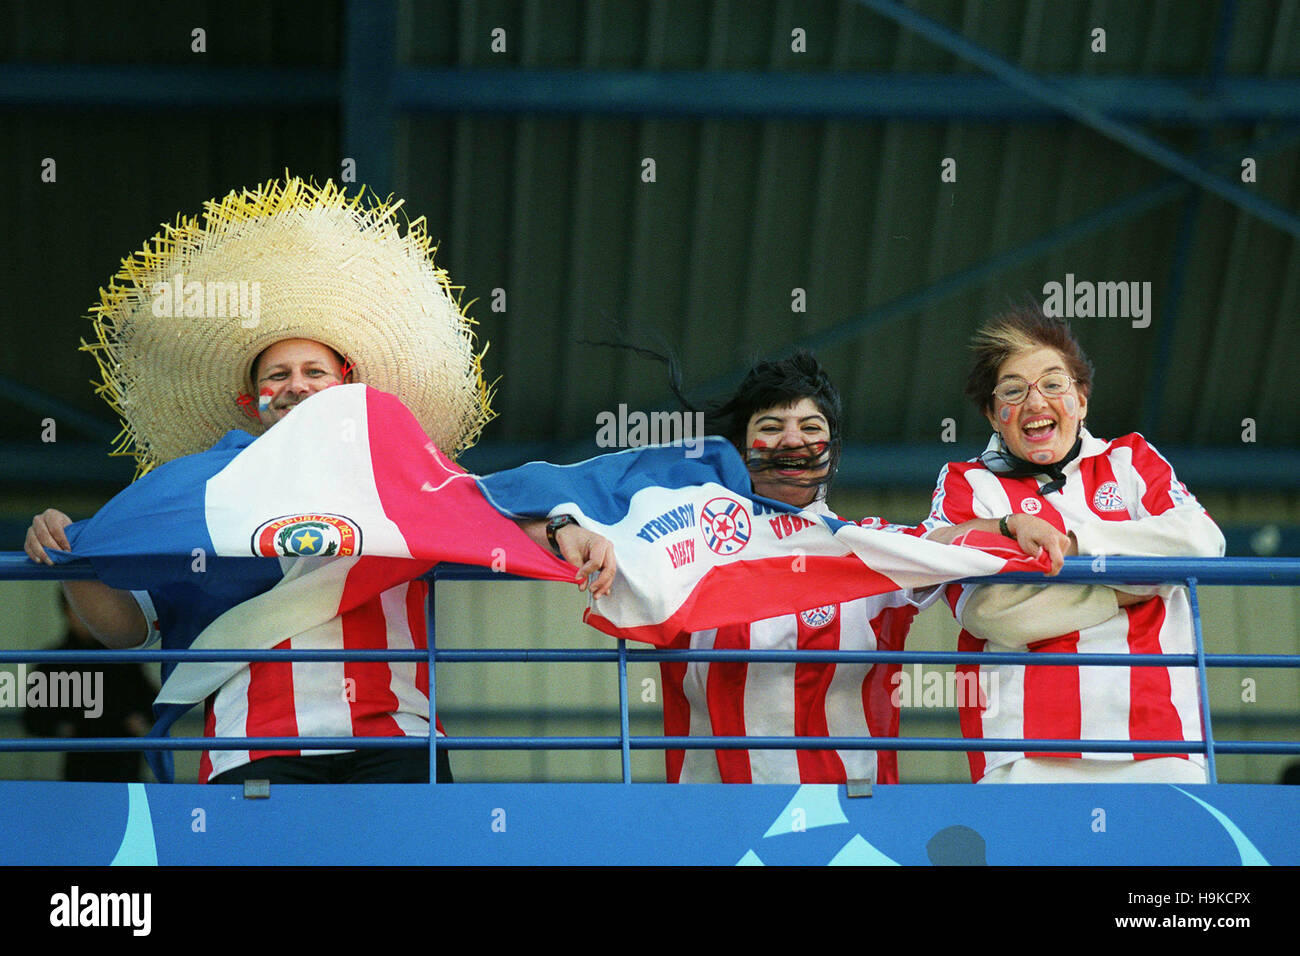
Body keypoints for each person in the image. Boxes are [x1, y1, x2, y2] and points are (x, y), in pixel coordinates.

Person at [25, 176, 614, 785]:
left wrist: (564, 523)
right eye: (277, 374)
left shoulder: (406, 475)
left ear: (348, 385)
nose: (296, 385)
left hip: (400, 743)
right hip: (254, 750)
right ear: (251, 400)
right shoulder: (201, 492)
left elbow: (487, 507)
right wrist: (71, 555)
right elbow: (129, 627)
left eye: (315, 371)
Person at [923, 303, 1225, 783]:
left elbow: (1203, 542)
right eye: (1013, 391)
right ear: (993, 414)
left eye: (1053, 383)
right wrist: (1123, 587)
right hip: (1023, 748)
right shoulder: (969, 484)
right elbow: (986, 611)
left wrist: (1078, 545)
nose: (1035, 402)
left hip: (1161, 741)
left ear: (1081, 400)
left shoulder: (1131, 458)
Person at [645, 350, 934, 784]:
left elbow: (956, 545)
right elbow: (565, 516)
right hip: (714, 816)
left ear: (833, 453)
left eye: (811, 428)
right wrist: (564, 526)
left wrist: (1008, 523)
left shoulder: (874, 547)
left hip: (850, 816)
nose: (792, 441)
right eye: (771, 427)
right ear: (741, 455)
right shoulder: (686, 546)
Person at [21, 592, 157, 782]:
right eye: (79, 609)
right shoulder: (53, 662)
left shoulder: (121, 657)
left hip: (124, 761)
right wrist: (62, 729)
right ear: (67, 612)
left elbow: (151, 701)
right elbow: (33, 720)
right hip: (81, 764)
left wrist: (139, 719)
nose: (86, 616)